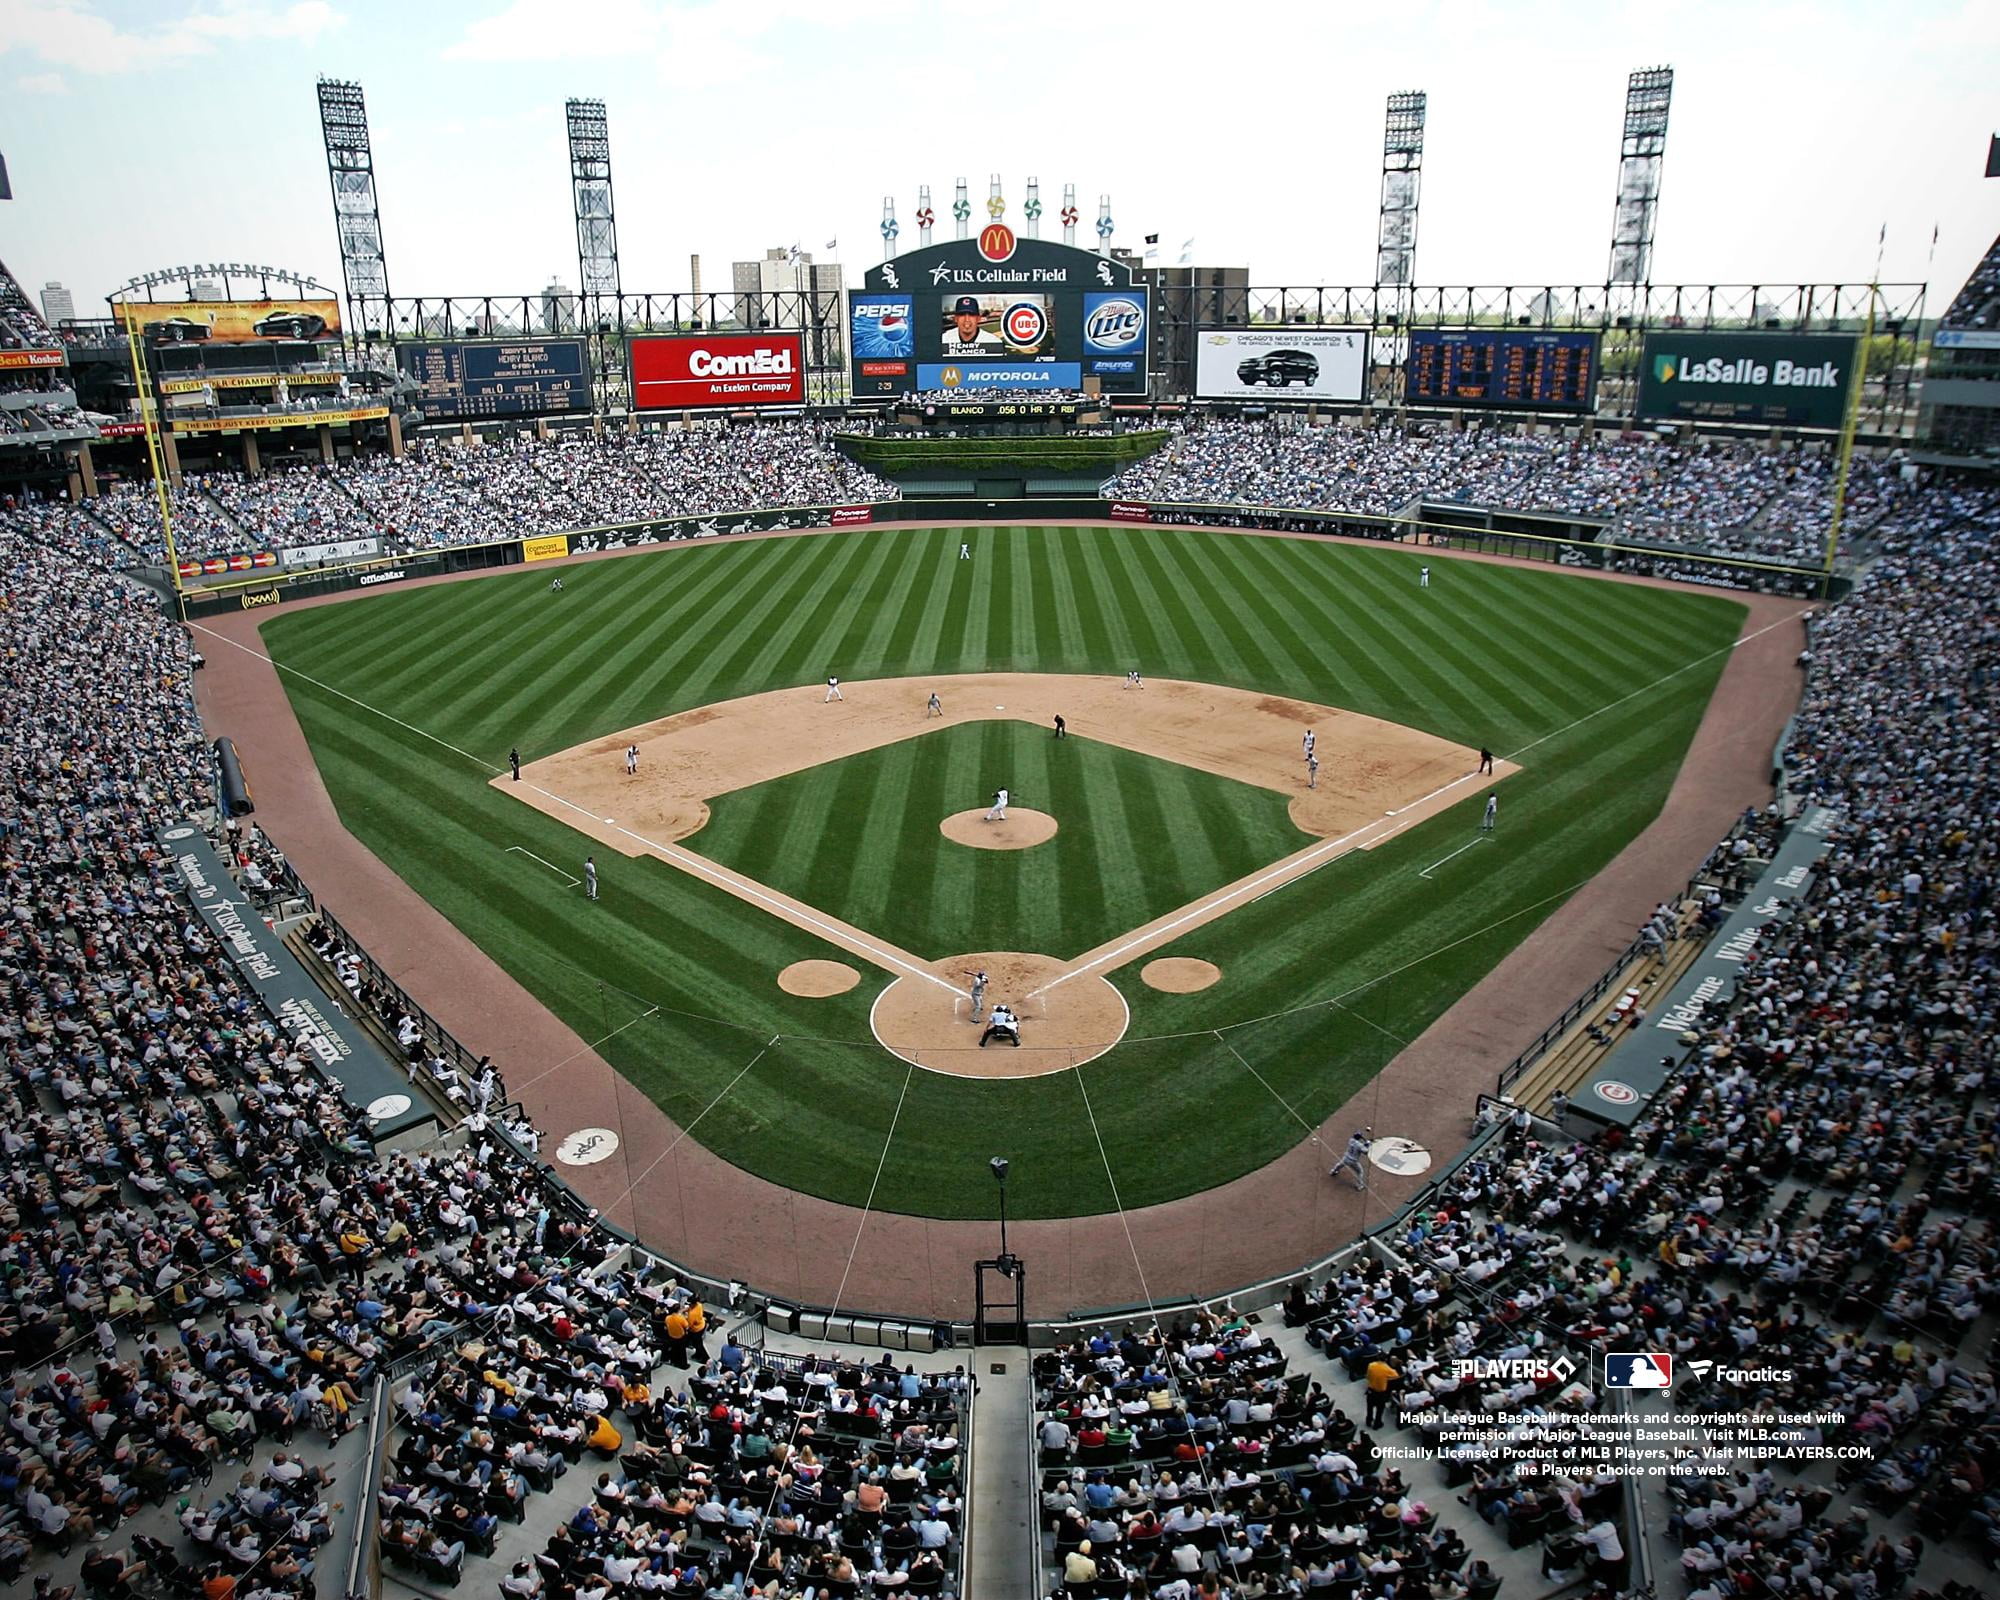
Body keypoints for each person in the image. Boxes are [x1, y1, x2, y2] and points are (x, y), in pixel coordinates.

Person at [1364, 1356, 1400, 1427]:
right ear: (1386, 1359)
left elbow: (1367, 1376)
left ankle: (1369, 1421)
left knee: (1369, 1408)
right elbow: (1396, 1376)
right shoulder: (1387, 1369)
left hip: (1371, 1391)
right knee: (1379, 1410)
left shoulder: (1371, 1365)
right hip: (1381, 1393)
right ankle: (1377, 1423)